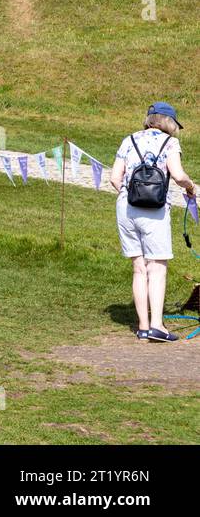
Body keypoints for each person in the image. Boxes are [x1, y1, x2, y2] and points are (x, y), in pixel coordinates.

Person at [108, 102, 197, 342]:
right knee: (157, 267)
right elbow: (177, 175)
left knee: (138, 268)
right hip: (154, 211)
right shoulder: (170, 143)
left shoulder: (129, 140)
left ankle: (144, 328)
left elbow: (114, 178)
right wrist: (190, 187)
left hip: (126, 208)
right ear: (169, 122)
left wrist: (130, 193)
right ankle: (158, 325)